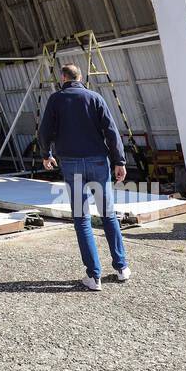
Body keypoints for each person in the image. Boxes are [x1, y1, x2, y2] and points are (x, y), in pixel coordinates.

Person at [39, 64, 130, 290]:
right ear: (80, 77)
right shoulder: (94, 97)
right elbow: (111, 130)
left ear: (63, 77)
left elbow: (44, 131)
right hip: (99, 161)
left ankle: (94, 276)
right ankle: (121, 268)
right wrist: (119, 161)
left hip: (72, 163)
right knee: (108, 214)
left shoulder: (56, 100)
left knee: (82, 218)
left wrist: (46, 155)